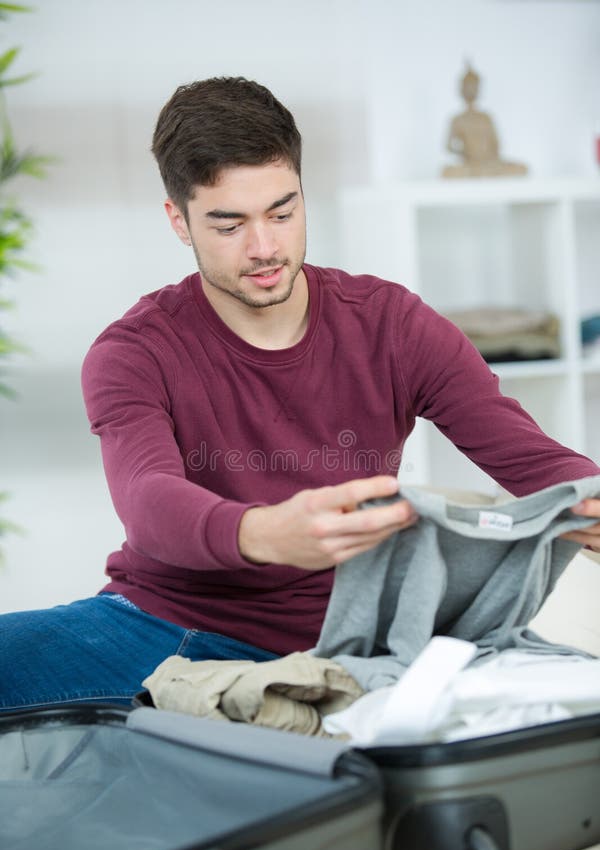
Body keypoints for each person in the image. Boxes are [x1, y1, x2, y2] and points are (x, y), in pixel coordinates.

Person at [1, 76, 599, 711]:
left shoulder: (393, 324)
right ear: (178, 219)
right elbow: (148, 504)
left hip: (359, 638)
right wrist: (262, 533)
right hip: (171, 623)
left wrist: (589, 502)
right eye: (228, 224)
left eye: (283, 213)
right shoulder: (133, 351)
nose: (264, 248)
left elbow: (535, 460)